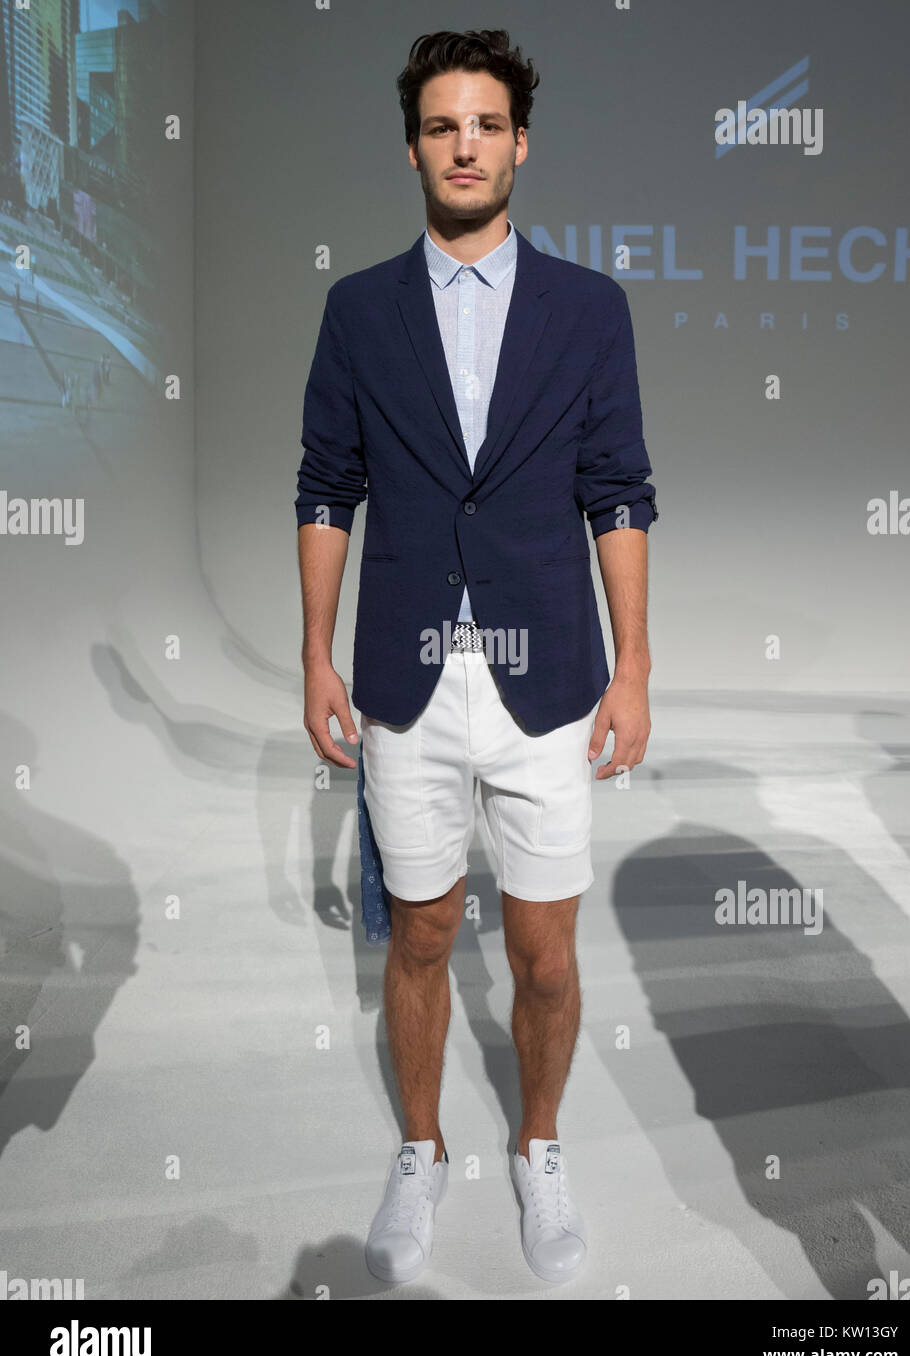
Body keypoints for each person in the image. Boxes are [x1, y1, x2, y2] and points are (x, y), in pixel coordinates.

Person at [295, 28, 658, 1287]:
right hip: (402, 675)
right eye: (444, 125)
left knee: (549, 952)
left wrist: (635, 665)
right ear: (414, 148)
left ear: (520, 144)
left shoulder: (589, 310)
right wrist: (315, 656)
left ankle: (540, 1145)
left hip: (548, 676)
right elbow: (327, 489)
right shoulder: (356, 311)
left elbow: (617, 490)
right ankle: (420, 1147)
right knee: (423, 940)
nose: (466, 143)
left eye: (487, 123)